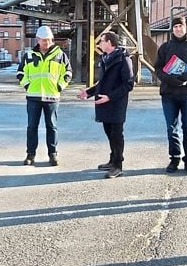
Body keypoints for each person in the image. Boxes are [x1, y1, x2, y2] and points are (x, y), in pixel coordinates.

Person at [155, 15, 187, 174]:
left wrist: (186, 77)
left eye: (180, 26)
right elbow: (158, 68)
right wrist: (170, 79)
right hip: (169, 93)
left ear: (186, 28)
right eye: (175, 27)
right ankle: (174, 158)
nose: (178, 29)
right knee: (171, 128)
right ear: (172, 29)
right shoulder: (165, 47)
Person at [78, 32, 135, 178]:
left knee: (116, 135)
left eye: (101, 41)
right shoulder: (104, 58)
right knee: (109, 133)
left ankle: (118, 165)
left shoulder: (123, 59)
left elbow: (128, 84)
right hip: (104, 103)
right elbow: (102, 82)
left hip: (116, 104)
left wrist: (110, 97)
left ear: (109, 43)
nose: (99, 44)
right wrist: (89, 92)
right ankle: (112, 160)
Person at [17, 25, 72, 166]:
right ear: (38, 40)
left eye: (49, 40)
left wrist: (59, 86)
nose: (46, 42)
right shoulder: (29, 55)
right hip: (33, 97)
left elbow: (68, 73)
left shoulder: (60, 55)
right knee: (32, 127)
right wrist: (27, 85)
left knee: (52, 126)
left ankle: (53, 154)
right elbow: (20, 73)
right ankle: (30, 154)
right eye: (44, 40)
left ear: (52, 40)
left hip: (52, 97)